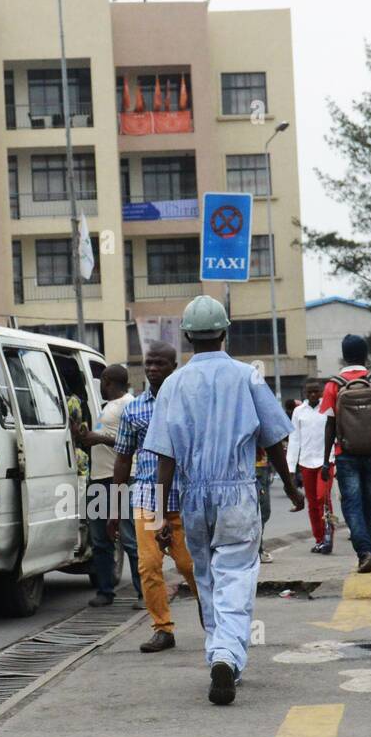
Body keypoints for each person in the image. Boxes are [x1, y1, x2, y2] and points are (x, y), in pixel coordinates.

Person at [145, 296, 302, 705]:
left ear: (186, 337)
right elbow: (273, 438)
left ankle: (220, 653)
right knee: (235, 574)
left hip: (193, 493)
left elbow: (164, 456)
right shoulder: (246, 377)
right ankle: (226, 655)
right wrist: (289, 485)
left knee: (207, 577)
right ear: (225, 332)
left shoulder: (173, 385)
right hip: (237, 489)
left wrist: (161, 514)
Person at [108, 341, 199, 653]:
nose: (152, 369)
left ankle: (213, 617)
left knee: (190, 566)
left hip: (183, 500)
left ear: (174, 367)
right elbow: (122, 459)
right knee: (148, 566)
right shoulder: (133, 410)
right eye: (149, 363)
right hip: (146, 499)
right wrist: (114, 508)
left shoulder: (187, 405)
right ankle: (162, 628)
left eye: (160, 363)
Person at [320, 334, 371, 574]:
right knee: (369, 504)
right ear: (365, 355)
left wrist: (326, 460)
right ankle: (369, 550)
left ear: (344, 356)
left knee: (351, 505)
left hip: (345, 453)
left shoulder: (333, 384)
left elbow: (330, 425)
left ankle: (364, 551)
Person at [79, 363, 141, 606]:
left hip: (121, 479)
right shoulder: (106, 408)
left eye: (102, 383)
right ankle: (105, 591)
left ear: (107, 381)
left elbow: (133, 442)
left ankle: (143, 593)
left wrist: (99, 438)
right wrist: (86, 435)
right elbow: (100, 437)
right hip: (98, 480)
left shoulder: (129, 404)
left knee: (129, 538)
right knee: (100, 539)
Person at [286, 378, 333, 553]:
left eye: (316, 391)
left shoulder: (328, 408)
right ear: (305, 393)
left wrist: (332, 458)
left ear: (322, 391)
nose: (313, 394)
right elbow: (294, 439)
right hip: (306, 461)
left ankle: (328, 536)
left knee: (323, 498)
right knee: (312, 503)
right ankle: (319, 539)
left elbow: (334, 433)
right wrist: (290, 468)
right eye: (310, 392)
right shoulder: (298, 412)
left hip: (325, 461)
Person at [255, 445, 274, 562]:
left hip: (263, 466)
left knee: (264, 512)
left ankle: (257, 550)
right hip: (254, 468)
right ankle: (257, 551)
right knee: (261, 511)